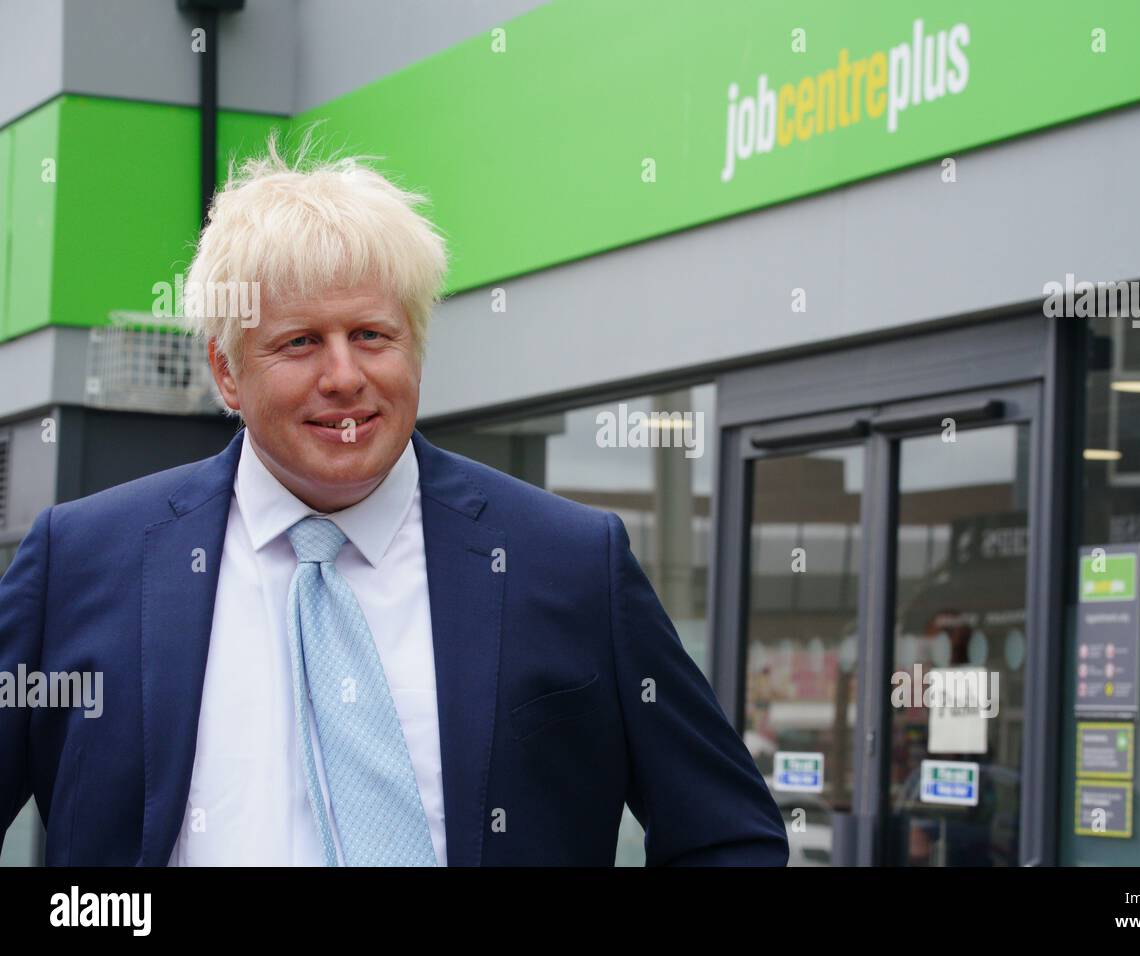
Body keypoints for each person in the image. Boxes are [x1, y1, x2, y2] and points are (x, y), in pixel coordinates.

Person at [0, 133, 788, 867]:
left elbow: (729, 835)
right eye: (300, 342)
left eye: (373, 336)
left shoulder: (570, 562)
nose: (345, 376)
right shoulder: (81, 563)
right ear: (227, 370)